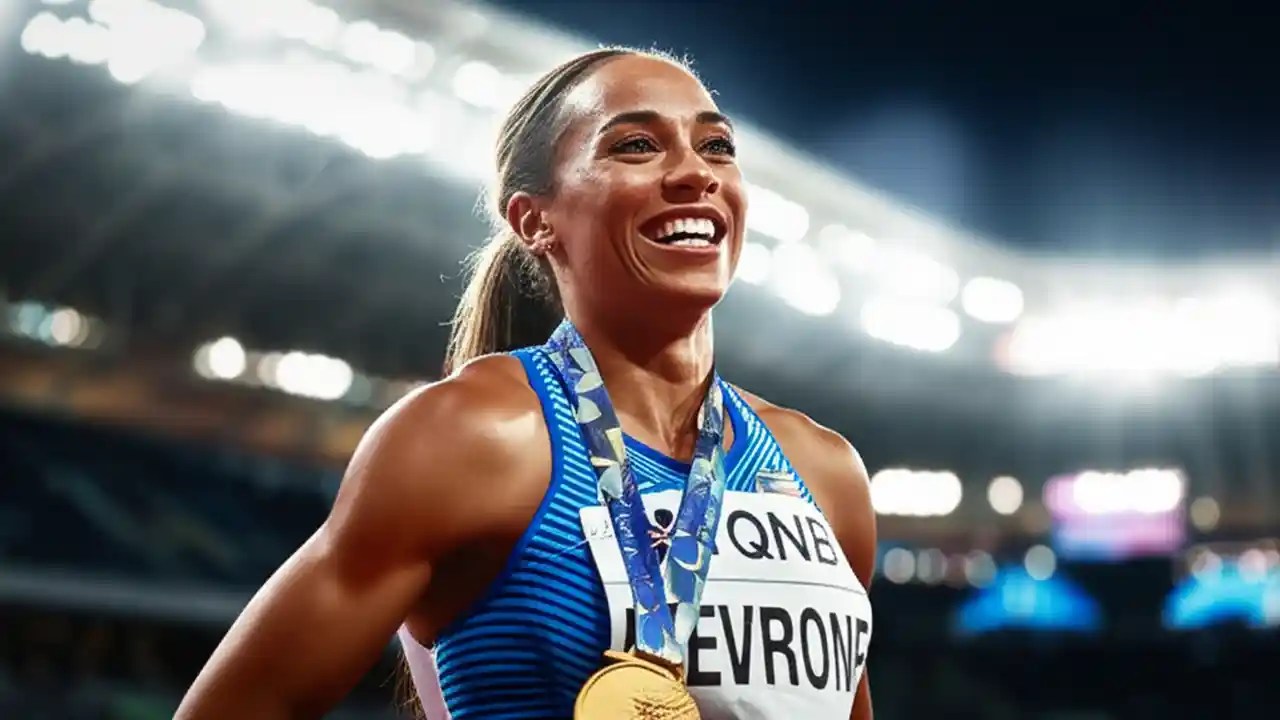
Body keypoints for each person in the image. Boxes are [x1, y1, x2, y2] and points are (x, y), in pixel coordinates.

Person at [176, 47, 876, 720]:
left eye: (716, 146)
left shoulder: (826, 475)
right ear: (534, 220)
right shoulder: (469, 437)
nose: (697, 173)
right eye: (635, 146)